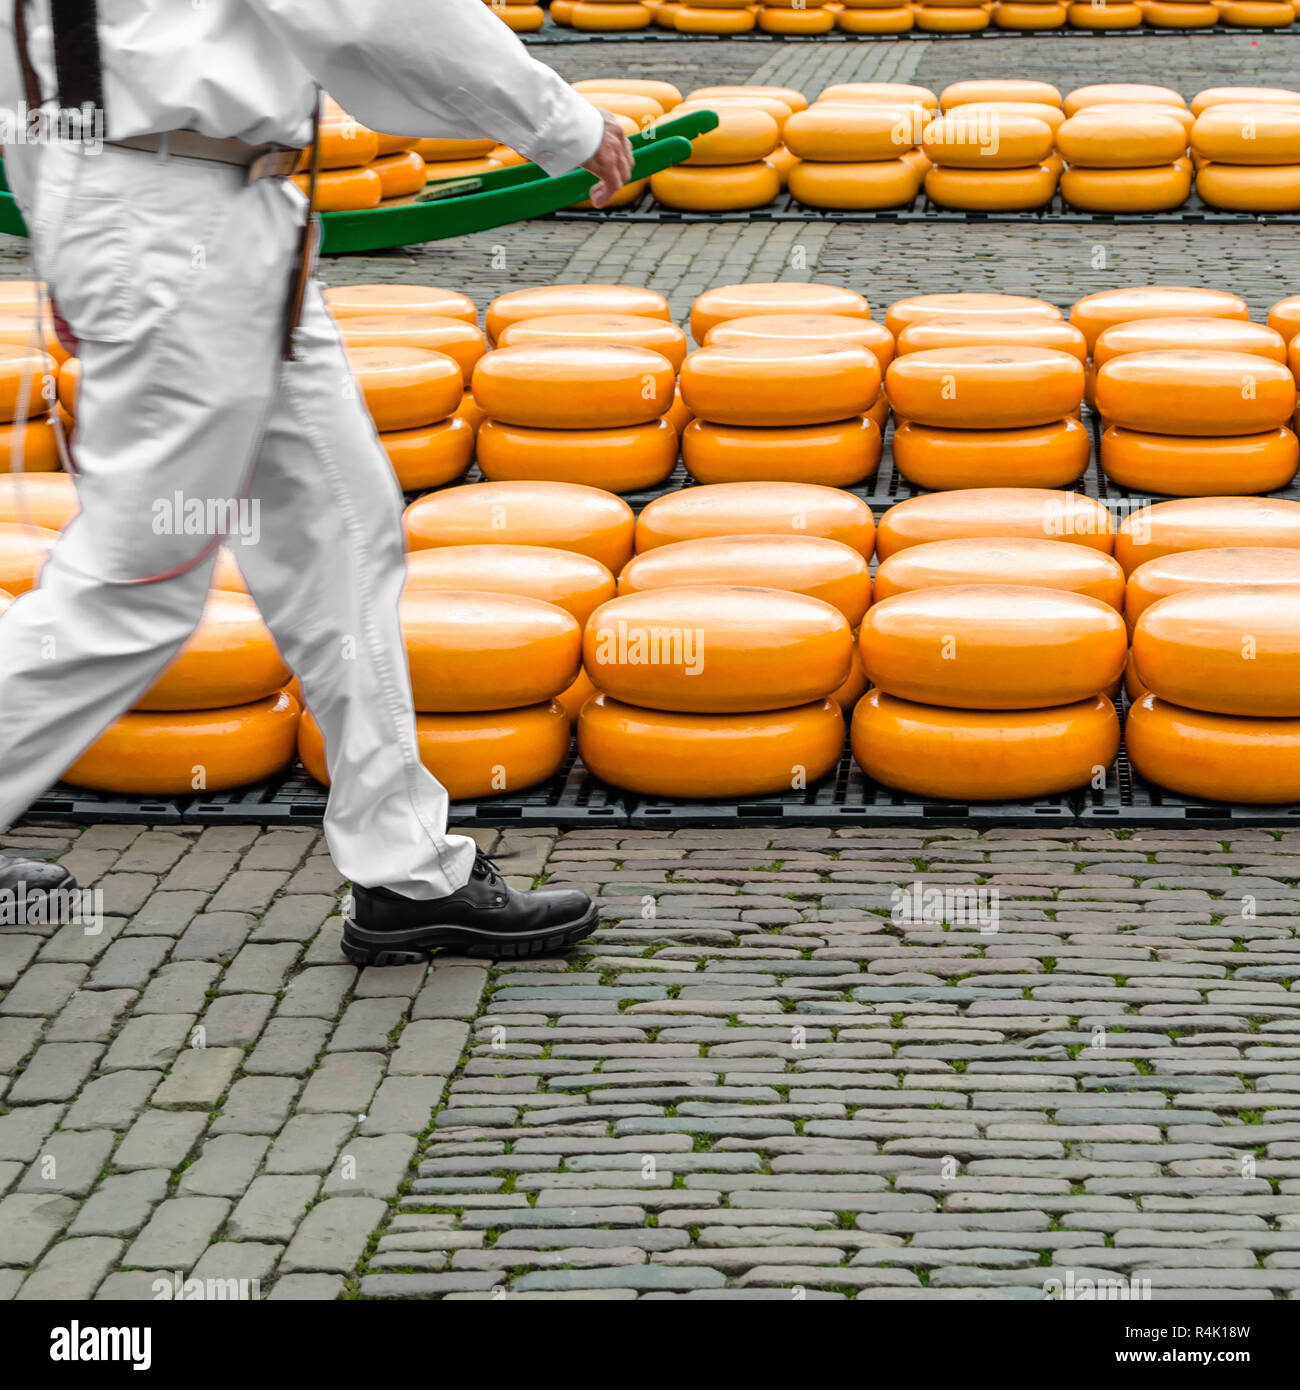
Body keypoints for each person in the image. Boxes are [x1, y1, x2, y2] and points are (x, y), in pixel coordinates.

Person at [0, 0, 633, 962]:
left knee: (342, 535)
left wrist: (71, 218)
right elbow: (373, 9)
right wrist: (559, 120)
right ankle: (407, 868)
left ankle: (410, 873)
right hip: (181, 212)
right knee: (137, 588)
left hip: (182, 204)